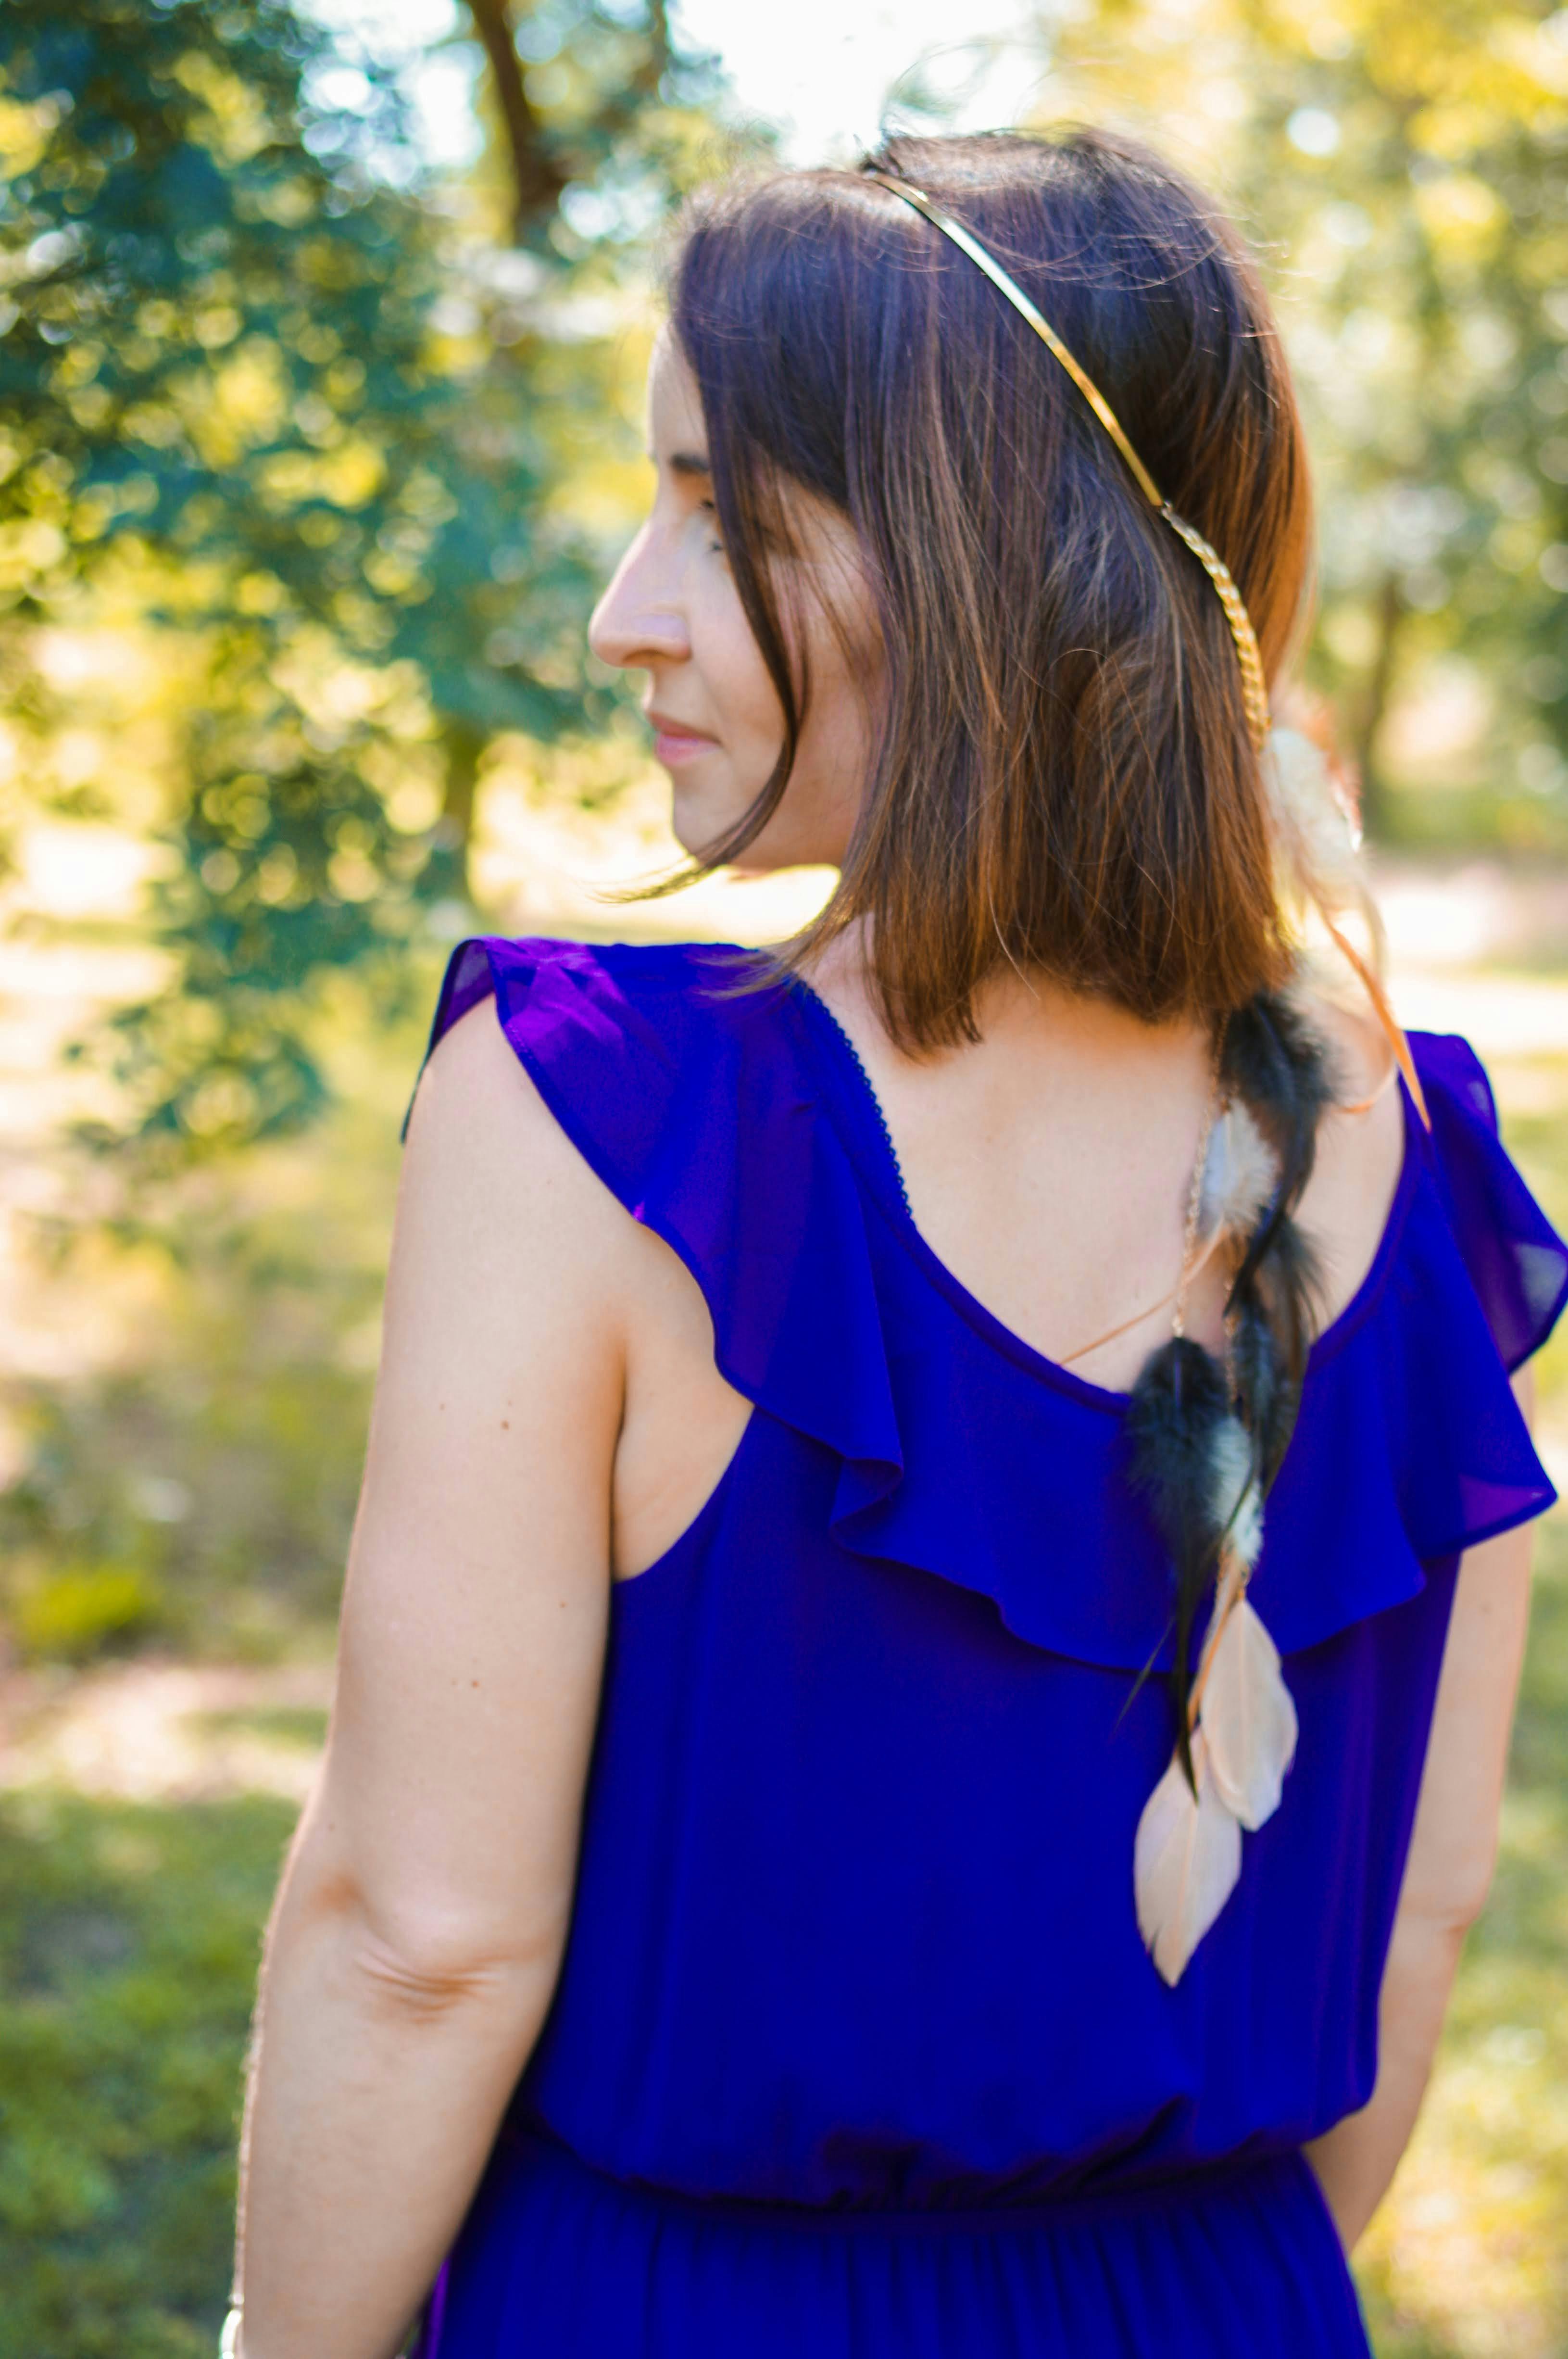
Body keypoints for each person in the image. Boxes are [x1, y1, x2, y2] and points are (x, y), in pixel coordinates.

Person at [225, 129, 1567, 2359]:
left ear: (979, 563)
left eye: (723, 513)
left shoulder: (604, 1113)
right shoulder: (1418, 1160)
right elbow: (1421, 1912)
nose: (623, 611)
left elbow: (418, 1938)